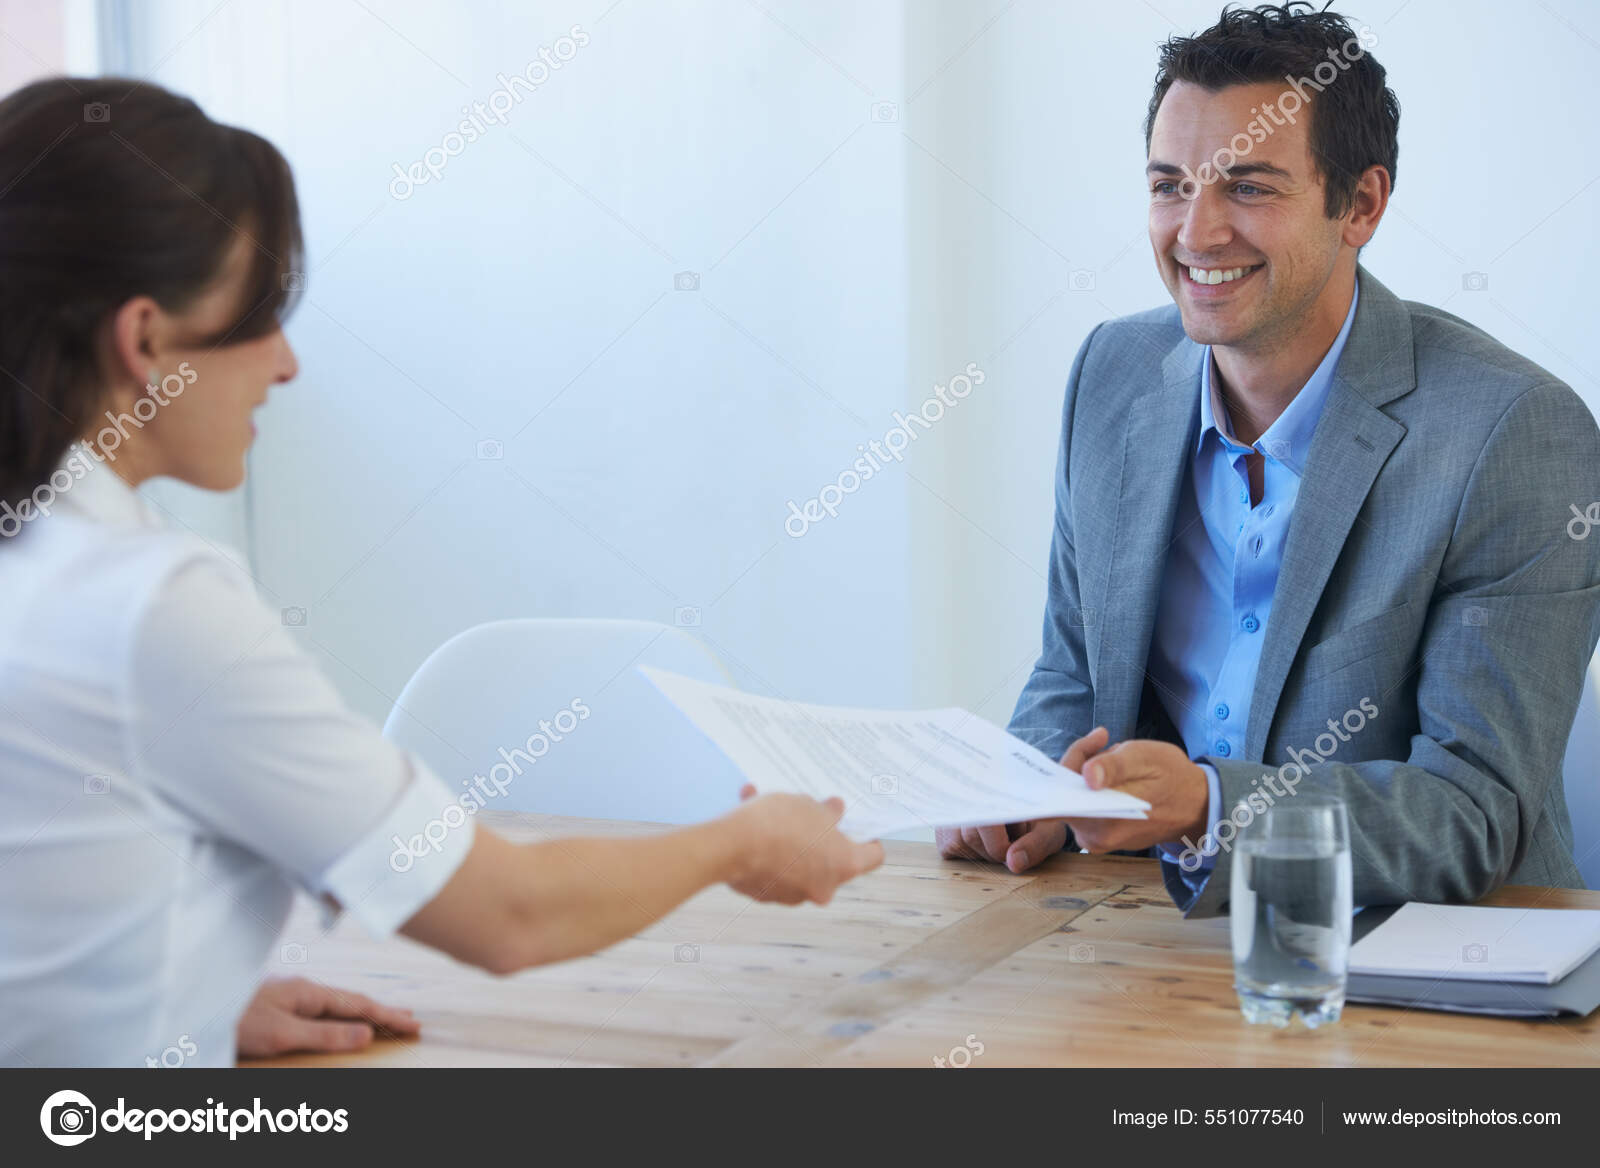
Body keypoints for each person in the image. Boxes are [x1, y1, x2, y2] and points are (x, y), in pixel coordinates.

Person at [0, 76, 882, 1068]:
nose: (286, 363)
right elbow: (509, 915)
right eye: (260, 313)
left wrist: (175, 1003)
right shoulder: (151, 607)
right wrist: (743, 841)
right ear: (147, 338)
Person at [940, 3, 1600, 915]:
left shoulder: (1513, 432)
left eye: (1247, 188)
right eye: (1170, 185)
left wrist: (1211, 808)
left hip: (1425, 968)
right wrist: (1028, 795)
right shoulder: (1112, 375)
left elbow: (1472, 816)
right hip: (1145, 941)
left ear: (1360, 205)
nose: (1197, 234)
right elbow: (1074, 672)